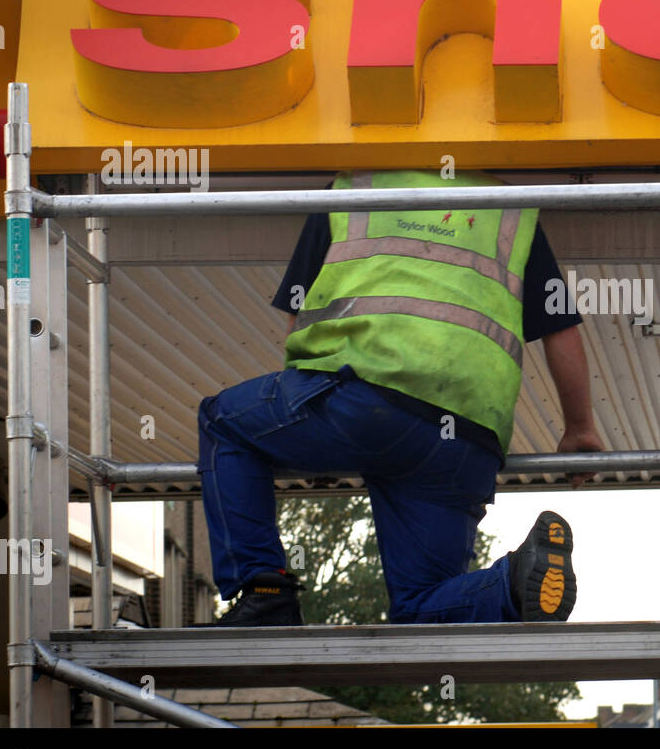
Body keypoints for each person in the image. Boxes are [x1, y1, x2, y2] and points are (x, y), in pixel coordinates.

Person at [197, 168, 601, 626]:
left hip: (363, 398)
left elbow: (298, 312)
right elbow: (561, 330)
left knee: (222, 420)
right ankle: (509, 584)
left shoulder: (353, 190)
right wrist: (579, 429)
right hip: (466, 437)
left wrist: (310, 441)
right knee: (420, 607)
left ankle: (265, 592)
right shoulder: (509, 210)